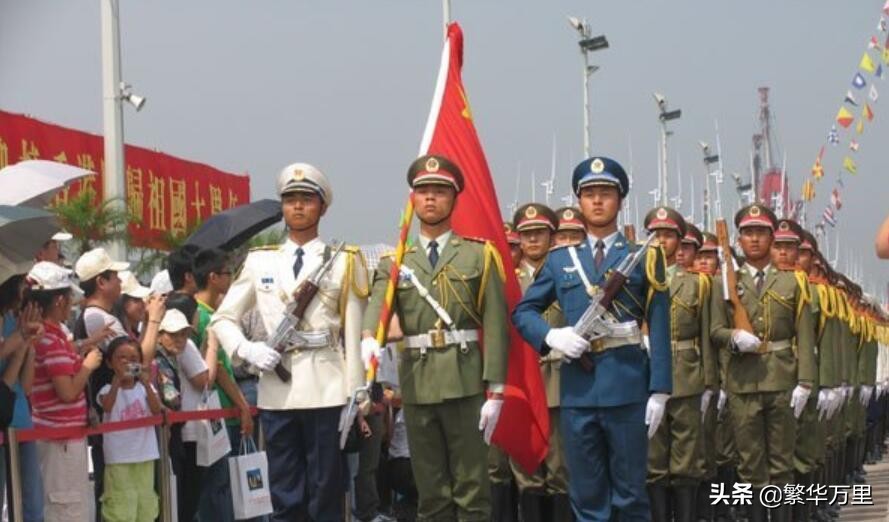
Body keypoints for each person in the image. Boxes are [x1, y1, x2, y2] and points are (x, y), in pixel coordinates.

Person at [513, 156, 672, 520]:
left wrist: (660, 389)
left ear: (620, 200)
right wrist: (552, 335)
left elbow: (659, 322)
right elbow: (523, 312)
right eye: (589, 194)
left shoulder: (642, 257)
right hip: (578, 393)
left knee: (631, 496)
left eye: (606, 193)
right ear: (579, 201)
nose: (597, 201)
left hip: (628, 388)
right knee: (586, 497)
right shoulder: (559, 260)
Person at [211, 162, 368, 521]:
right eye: (290, 199)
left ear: (322, 207)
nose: (297, 206)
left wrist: (356, 393)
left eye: (307, 199)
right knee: (283, 491)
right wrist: (247, 349)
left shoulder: (343, 261)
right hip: (277, 391)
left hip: (327, 387)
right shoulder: (259, 260)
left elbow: (353, 331)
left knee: (325, 491)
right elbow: (223, 318)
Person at [361, 155, 509, 521]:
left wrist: (498, 390)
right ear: (412, 199)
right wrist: (368, 337)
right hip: (418, 383)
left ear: (454, 198)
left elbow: (495, 324)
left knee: (472, 488)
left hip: (466, 382)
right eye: (423, 191)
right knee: (431, 491)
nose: (430, 198)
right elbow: (378, 304)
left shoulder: (479, 255)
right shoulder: (395, 261)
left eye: (440, 191)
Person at [709, 203, 817, 521]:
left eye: (761, 233)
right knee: (750, 464)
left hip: (782, 378)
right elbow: (715, 330)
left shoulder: (793, 282)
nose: (754, 239)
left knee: (782, 463)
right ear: (739, 240)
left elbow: (805, 335)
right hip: (742, 381)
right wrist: (734, 337)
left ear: (772, 238)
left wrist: (806, 381)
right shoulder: (724, 282)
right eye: (747, 233)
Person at [73, 247, 163, 519]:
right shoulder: (96, 318)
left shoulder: (106, 317)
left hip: (132, 435)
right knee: (118, 504)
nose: (121, 283)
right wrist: (156, 318)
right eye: (115, 277)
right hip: (115, 431)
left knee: (141, 502)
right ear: (101, 282)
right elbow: (139, 363)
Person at [642, 208, 714, 522]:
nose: (662, 240)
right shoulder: (637, 280)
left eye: (668, 235)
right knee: (654, 462)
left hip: (686, 376)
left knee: (686, 462)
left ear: (679, 241)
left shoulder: (698, 284)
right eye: (656, 234)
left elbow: (707, 336)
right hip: (646, 377)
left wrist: (710, 384)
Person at [27, 261, 104, 522]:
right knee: (66, 508)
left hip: (60, 439)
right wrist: (88, 366)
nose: (72, 303)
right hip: (60, 442)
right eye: (69, 297)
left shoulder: (52, 337)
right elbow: (67, 392)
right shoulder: (50, 340)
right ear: (59, 300)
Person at [509, 203, 572, 521]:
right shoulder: (509, 280)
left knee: (562, 467)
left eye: (540, 233)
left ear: (552, 236)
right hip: (523, 381)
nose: (533, 240)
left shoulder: (568, 275)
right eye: (526, 234)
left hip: (562, 381)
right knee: (527, 466)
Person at [192, 249, 254, 522]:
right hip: (217, 409)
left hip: (219, 410)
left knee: (220, 484)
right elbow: (217, 372)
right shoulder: (205, 317)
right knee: (217, 485)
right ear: (213, 277)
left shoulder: (207, 313)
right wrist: (242, 405)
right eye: (228, 274)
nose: (231, 279)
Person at [154, 307, 210, 522]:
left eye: (184, 335)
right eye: (173, 335)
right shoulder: (161, 362)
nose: (180, 340)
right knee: (177, 500)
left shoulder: (173, 360)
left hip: (175, 434)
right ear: (160, 336)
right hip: (168, 438)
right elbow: (172, 399)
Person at [97, 336, 161, 522]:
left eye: (134, 359)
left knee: (145, 503)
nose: (128, 363)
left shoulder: (143, 389)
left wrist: (147, 382)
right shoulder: (106, 389)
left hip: (146, 455)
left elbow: (156, 409)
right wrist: (118, 380)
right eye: (121, 358)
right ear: (109, 363)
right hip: (119, 458)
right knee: (120, 505)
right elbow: (107, 406)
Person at [0, 272, 45, 522]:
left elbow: (26, 385)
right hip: (3, 418)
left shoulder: (15, 319)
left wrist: (28, 345)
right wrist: (22, 336)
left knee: (33, 502)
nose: (24, 289)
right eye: (21, 283)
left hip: (21, 416)